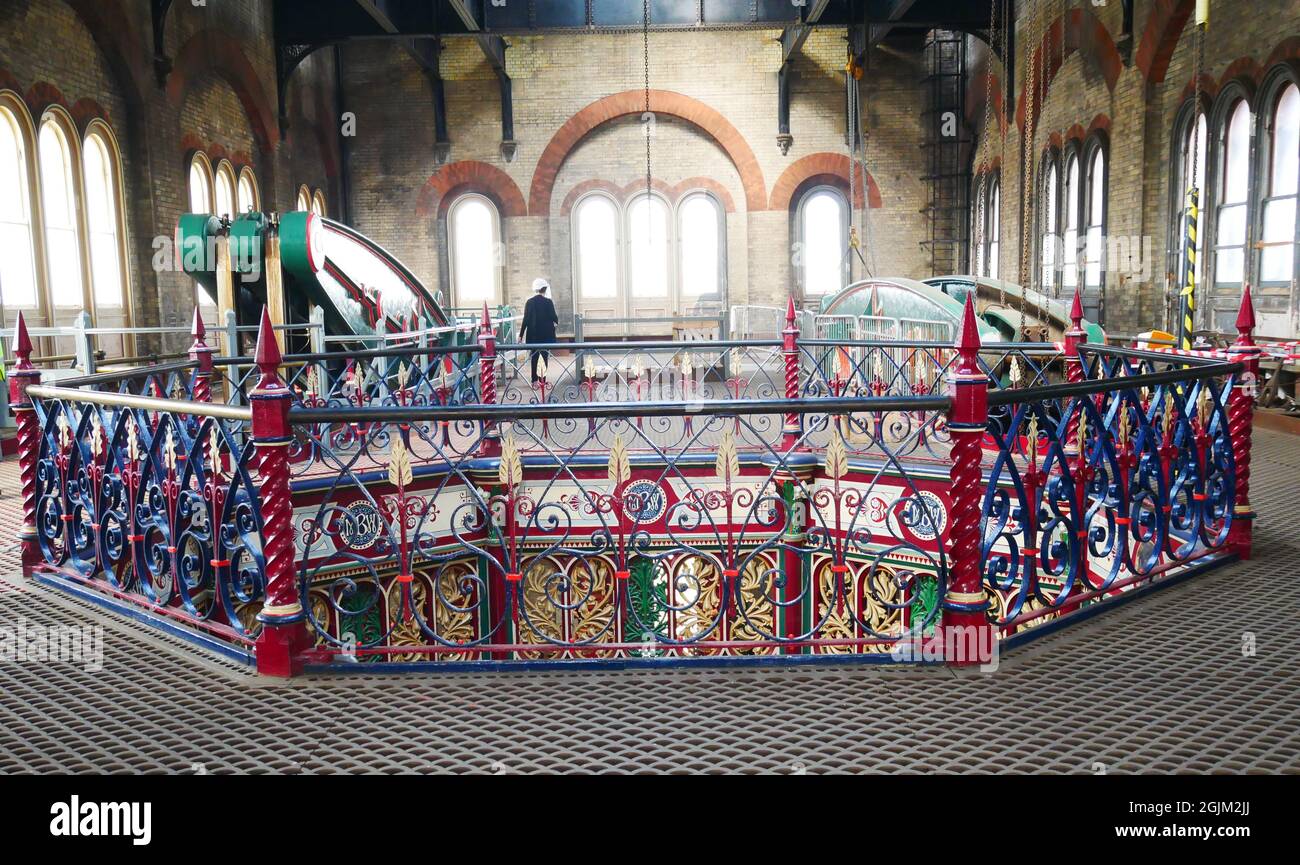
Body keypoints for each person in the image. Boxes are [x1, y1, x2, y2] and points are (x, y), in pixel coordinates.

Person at [519, 277, 559, 383]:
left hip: (533, 335)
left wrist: (521, 335)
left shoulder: (529, 302)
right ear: (545, 289)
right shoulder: (548, 302)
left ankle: (534, 381)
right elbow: (554, 317)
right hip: (546, 335)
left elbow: (526, 319)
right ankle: (542, 380)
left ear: (535, 289)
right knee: (544, 357)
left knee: (534, 357)